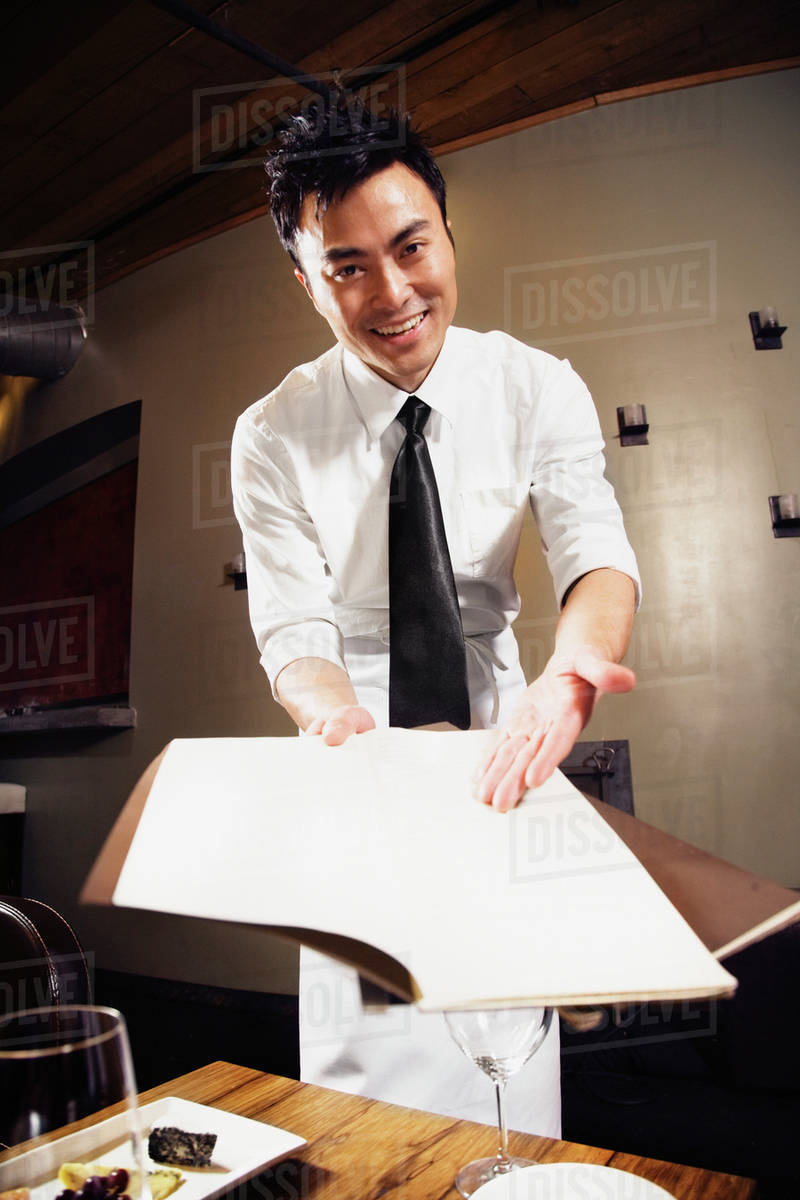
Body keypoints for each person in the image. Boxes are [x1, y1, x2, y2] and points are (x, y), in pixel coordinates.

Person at [231, 93, 640, 1134]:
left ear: (448, 234)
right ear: (305, 282)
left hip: (501, 734)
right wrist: (335, 723)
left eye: (410, 247)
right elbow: (295, 631)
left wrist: (574, 671)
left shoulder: (536, 387)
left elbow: (593, 558)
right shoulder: (270, 434)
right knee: (363, 1075)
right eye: (347, 267)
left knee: (505, 1051)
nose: (392, 291)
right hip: (352, 752)